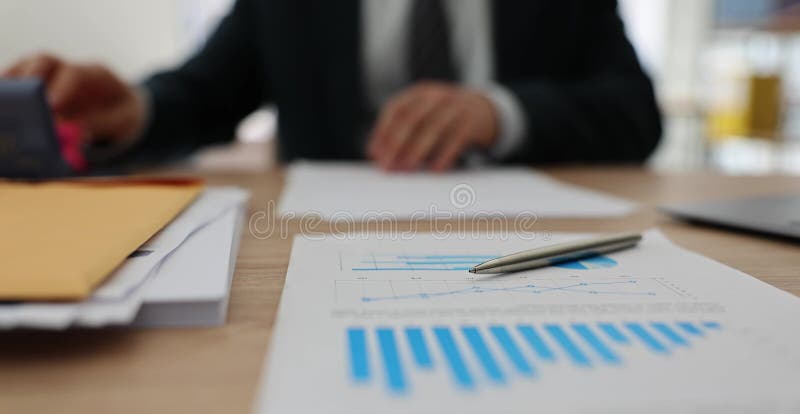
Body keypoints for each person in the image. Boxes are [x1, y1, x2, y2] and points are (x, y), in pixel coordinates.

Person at [2, 0, 661, 172]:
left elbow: (636, 112)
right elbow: (205, 93)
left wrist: (503, 113)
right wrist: (131, 110)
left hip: (527, 221)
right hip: (323, 241)